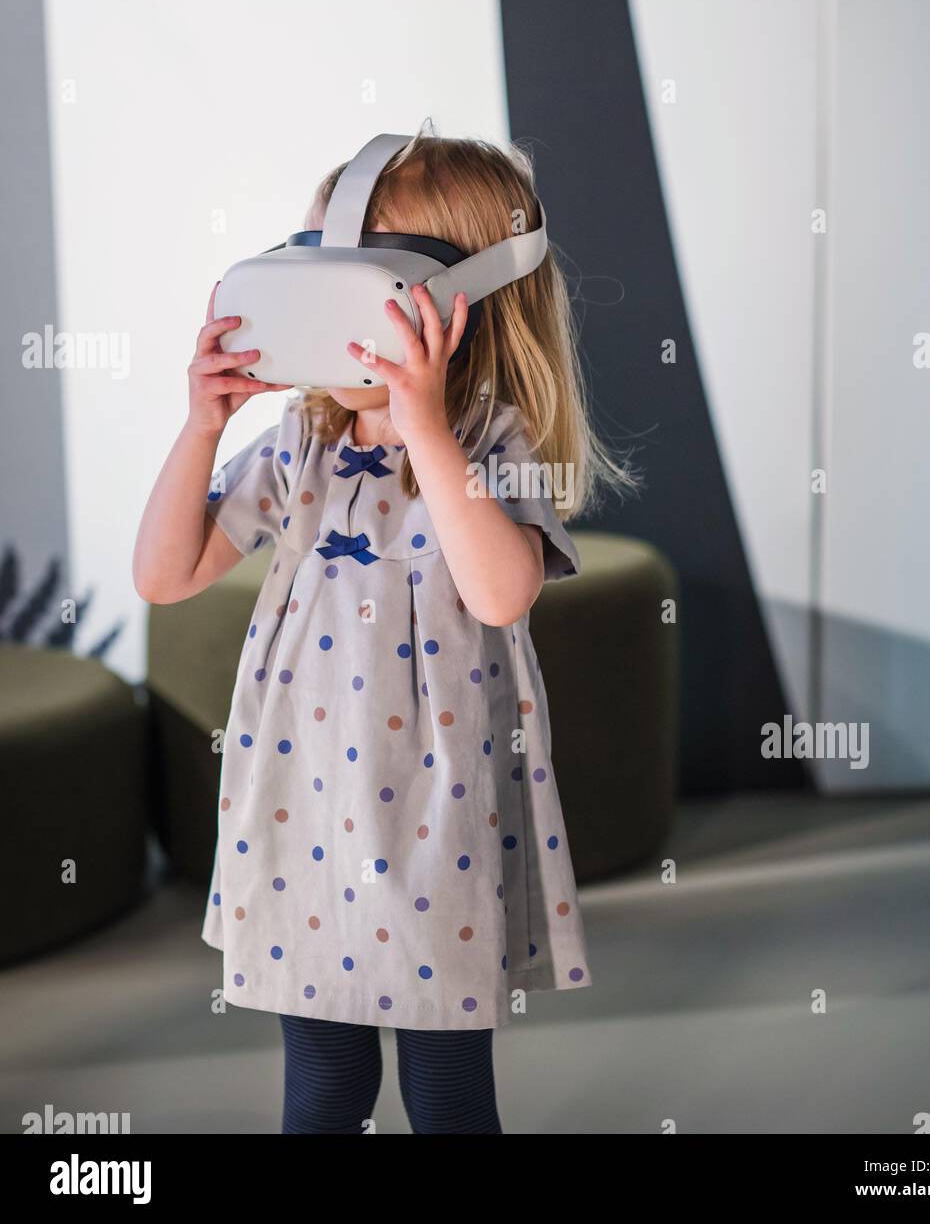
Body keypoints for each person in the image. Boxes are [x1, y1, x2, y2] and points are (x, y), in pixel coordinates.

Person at [133, 127, 637, 1133]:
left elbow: (500, 592)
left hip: (433, 823)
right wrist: (203, 426)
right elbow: (165, 571)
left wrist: (426, 429)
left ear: (457, 307)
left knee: (444, 1093)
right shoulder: (303, 443)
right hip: (302, 817)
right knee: (321, 1087)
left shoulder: (490, 442)